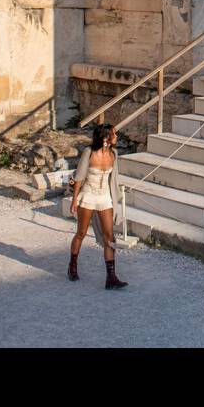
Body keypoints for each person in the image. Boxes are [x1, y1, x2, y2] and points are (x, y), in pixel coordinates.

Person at [68, 122, 128, 288]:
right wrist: (74, 200)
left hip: (104, 197)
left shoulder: (114, 154)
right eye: (114, 134)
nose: (116, 137)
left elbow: (113, 178)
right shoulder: (89, 152)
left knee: (110, 236)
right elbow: (79, 177)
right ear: (106, 137)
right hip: (88, 195)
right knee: (81, 232)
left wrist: (116, 198)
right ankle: (72, 265)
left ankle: (111, 277)